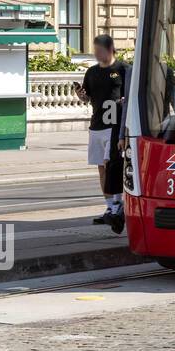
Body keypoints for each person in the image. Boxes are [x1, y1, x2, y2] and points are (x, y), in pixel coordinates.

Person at [74, 34, 130, 234]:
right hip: (96, 125)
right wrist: (81, 94)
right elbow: (87, 97)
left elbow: (131, 95)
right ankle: (110, 206)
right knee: (101, 167)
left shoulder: (123, 70)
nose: (97, 53)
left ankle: (117, 205)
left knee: (111, 164)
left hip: (115, 126)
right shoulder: (91, 72)